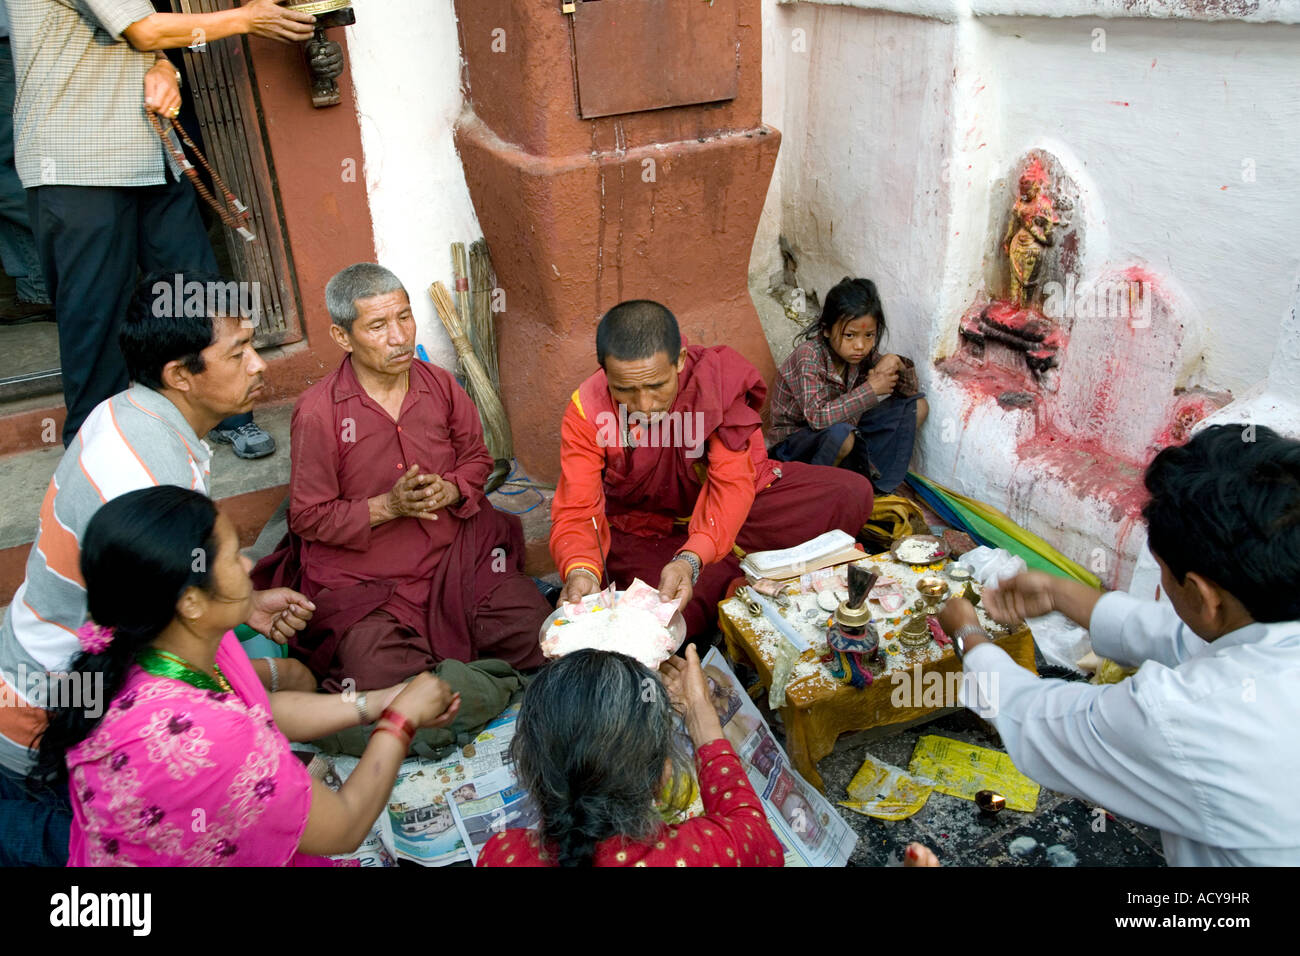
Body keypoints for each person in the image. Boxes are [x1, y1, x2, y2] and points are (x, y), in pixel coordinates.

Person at [0, 270, 316, 866]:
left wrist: (245, 604)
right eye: (239, 352)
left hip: (64, 673)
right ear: (180, 375)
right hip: (56, 719)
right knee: (88, 853)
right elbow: (156, 646)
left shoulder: (131, 415)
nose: (259, 366)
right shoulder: (140, 477)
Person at [29, 486, 461, 866]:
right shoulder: (206, 734)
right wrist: (400, 721)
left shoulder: (159, 643)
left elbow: (259, 707)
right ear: (191, 602)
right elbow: (346, 826)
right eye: (233, 556)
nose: (249, 562)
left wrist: (376, 701)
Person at [941, 424, 1300, 866]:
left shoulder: (1189, 718)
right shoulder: (1267, 615)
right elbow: (1183, 635)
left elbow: (1034, 718)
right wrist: (1059, 594)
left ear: (1205, 596)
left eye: (1165, 575)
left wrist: (967, 634)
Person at [7, 0, 309, 447]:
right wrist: (247, 18)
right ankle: (98, 448)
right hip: (77, 163)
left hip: (150, 153)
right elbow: (145, 31)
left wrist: (169, 71)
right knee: (95, 316)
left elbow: (147, 46)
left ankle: (229, 414)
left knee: (199, 290)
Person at [256, 263, 549, 692]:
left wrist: (451, 487)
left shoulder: (442, 386)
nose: (399, 337)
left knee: (537, 635)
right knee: (374, 676)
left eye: (405, 317)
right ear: (343, 337)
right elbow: (307, 517)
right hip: (368, 580)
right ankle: (463, 681)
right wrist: (387, 507)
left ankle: (457, 678)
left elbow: (476, 459)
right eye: (377, 326)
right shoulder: (319, 412)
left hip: (456, 557)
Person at [550, 300, 875, 638]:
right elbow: (578, 508)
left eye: (657, 386)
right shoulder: (587, 410)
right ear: (604, 372)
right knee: (662, 619)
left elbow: (732, 484)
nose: (644, 406)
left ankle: (721, 568)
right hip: (651, 528)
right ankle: (739, 574)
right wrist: (580, 571)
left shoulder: (712, 380)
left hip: (736, 510)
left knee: (851, 493)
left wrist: (692, 557)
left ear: (679, 360)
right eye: (625, 390)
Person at [478, 645, 784, 867]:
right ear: (664, 774)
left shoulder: (500, 854)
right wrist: (700, 716)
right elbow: (759, 838)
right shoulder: (701, 853)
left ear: (528, 770)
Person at [768, 277, 928, 494]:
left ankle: (864, 481)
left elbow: (909, 392)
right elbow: (817, 418)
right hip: (797, 446)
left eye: (869, 335)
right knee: (842, 437)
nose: (860, 345)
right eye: (849, 335)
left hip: (846, 433)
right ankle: (819, 494)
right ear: (826, 329)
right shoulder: (808, 356)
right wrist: (870, 390)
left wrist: (895, 362)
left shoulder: (861, 354)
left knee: (916, 408)